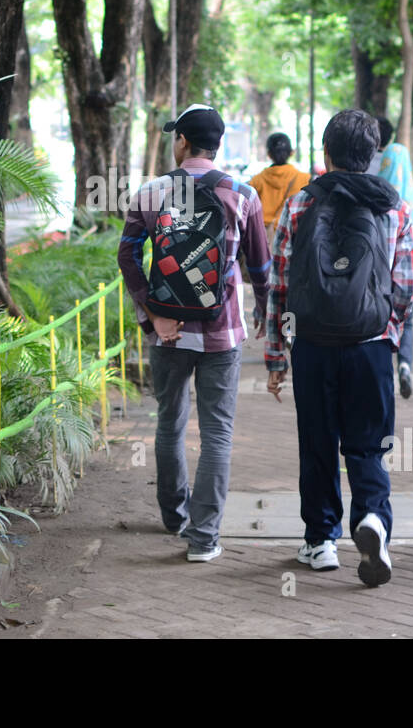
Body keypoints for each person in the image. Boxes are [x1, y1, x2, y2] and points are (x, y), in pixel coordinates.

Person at [263, 109, 413, 587]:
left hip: (311, 345)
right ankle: (372, 518)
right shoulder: (395, 208)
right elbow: (407, 287)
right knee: (368, 446)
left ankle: (321, 541)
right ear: (373, 156)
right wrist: (387, 334)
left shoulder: (299, 205)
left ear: (325, 154)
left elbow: (281, 286)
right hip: (370, 348)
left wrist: (276, 357)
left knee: (317, 445)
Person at [118, 104, 272, 563]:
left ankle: (174, 516)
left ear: (182, 142)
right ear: (218, 145)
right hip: (222, 332)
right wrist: (264, 308)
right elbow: (260, 265)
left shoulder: (150, 192)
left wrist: (151, 317)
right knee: (217, 435)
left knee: (169, 423)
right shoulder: (242, 194)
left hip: (169, 330)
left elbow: (128, 257)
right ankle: (204, 539)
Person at [377, 141, 413, 398]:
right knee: (406, 323)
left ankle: (386, 367)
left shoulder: (375, 195)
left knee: (383, 326)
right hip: (410, 272)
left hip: (380, 275)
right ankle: (405, 364)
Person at [248, 132, 311, 234]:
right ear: (292, 152)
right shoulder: (305, 179)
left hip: (263, 235)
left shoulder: (256, 180)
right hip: (292, 235)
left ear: (269, 154)